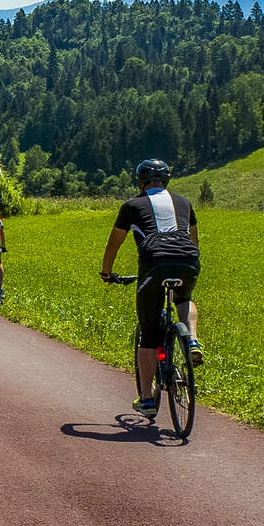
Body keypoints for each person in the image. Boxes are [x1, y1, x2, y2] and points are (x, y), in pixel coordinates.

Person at [100, 158, 204, 418]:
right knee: (184, 298)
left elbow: (115, 242)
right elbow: (194, 238)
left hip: (155, 265)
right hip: (188, 261)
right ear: (166, 181)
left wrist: (106, 272)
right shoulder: (184, 203)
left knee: (149, 333)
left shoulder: (132, 205)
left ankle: (147, 399)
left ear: (140, 182)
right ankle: (191, 340)